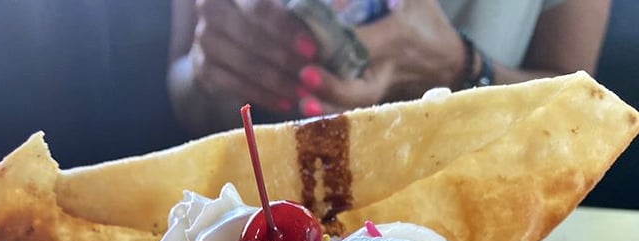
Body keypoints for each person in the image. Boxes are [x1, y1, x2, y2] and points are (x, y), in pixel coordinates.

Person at [167, 0, 611, 138]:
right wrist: (222, 64)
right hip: (261, 239)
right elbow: (186, 94)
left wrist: (462, 69)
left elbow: (578, 118)